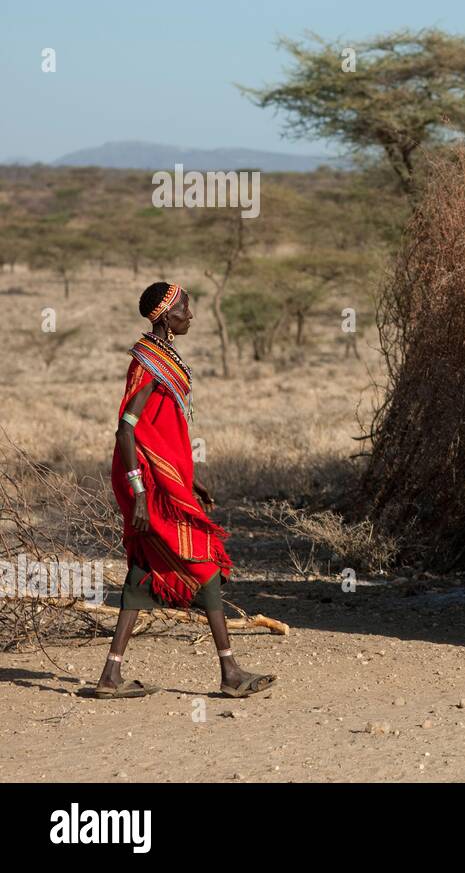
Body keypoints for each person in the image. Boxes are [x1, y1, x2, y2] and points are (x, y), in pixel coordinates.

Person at [90, 283, 274, 699]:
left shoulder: (159, 358)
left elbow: (159, 428)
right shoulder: (148, 363)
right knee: (202, 559)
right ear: (164, 315)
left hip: (159, 477)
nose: (190, 316)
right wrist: (139, 491)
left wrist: (188, 480)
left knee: (144, 569)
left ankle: (110, 676)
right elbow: (127, 428)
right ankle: (229, 672)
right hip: (146, 481)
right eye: (184, 309)